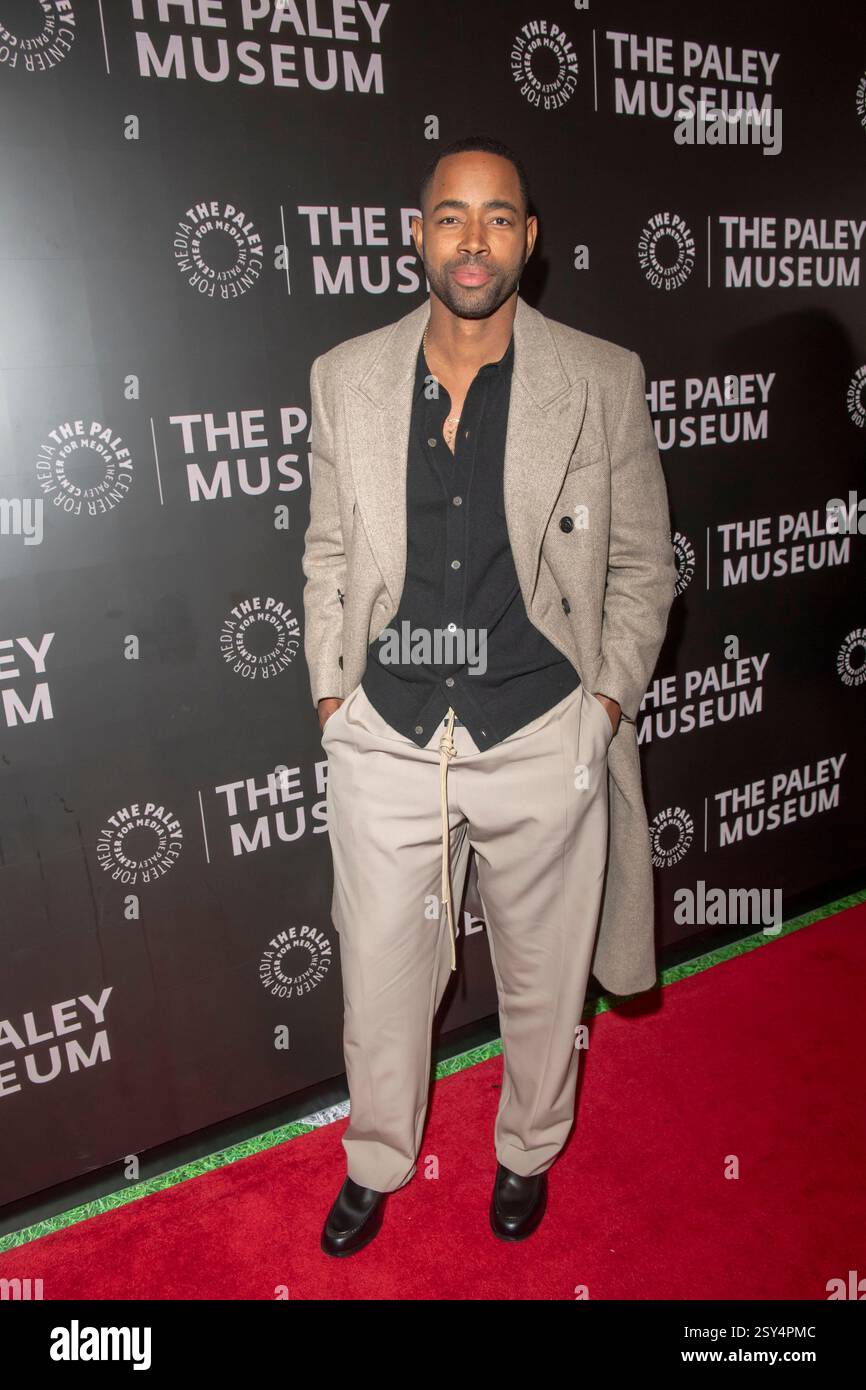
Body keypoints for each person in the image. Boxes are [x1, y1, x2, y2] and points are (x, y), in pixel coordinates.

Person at [301, 135, 676, 1257]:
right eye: (450, 217)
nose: (473, 240)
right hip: (388, 729)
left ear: (530, 240)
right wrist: (332, 696)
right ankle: (376, 1156)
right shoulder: (344, 375)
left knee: (542, 972)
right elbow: (327, 552)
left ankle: (526, 1148)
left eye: (497, 217)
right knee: (377, 972)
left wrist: (600, 706)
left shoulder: (600, 379)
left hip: (537, 728)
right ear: (416, 234)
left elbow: (643, 568)